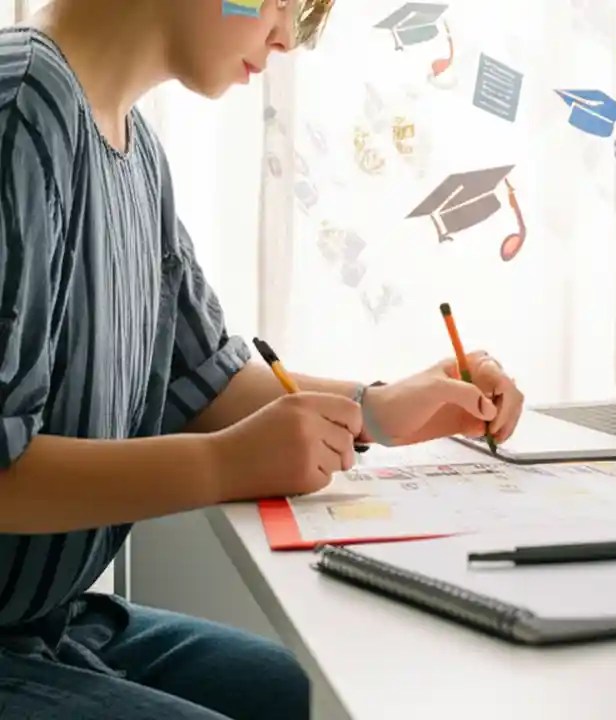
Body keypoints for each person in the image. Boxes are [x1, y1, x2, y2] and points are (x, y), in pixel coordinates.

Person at [0, 0, 524, 717]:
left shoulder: (137, 156)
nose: (285, 38)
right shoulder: (19, 109)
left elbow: (209, 378)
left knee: (298, 694)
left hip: (44, 622)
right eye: (281, 3)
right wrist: (221, 464)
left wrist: (380, 407)